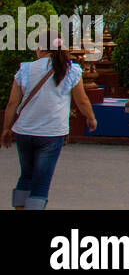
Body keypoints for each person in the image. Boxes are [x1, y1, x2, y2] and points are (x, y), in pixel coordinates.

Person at [3, 38, 97, 210]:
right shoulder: (71, 70)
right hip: (52, 134)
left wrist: (6, 129)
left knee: (26, 175)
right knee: (41, 180)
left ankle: (20, 208)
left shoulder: (25, 69)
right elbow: (82, 100)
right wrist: (91, 118)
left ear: (40, 48)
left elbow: (12, 103)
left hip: (24, 131)